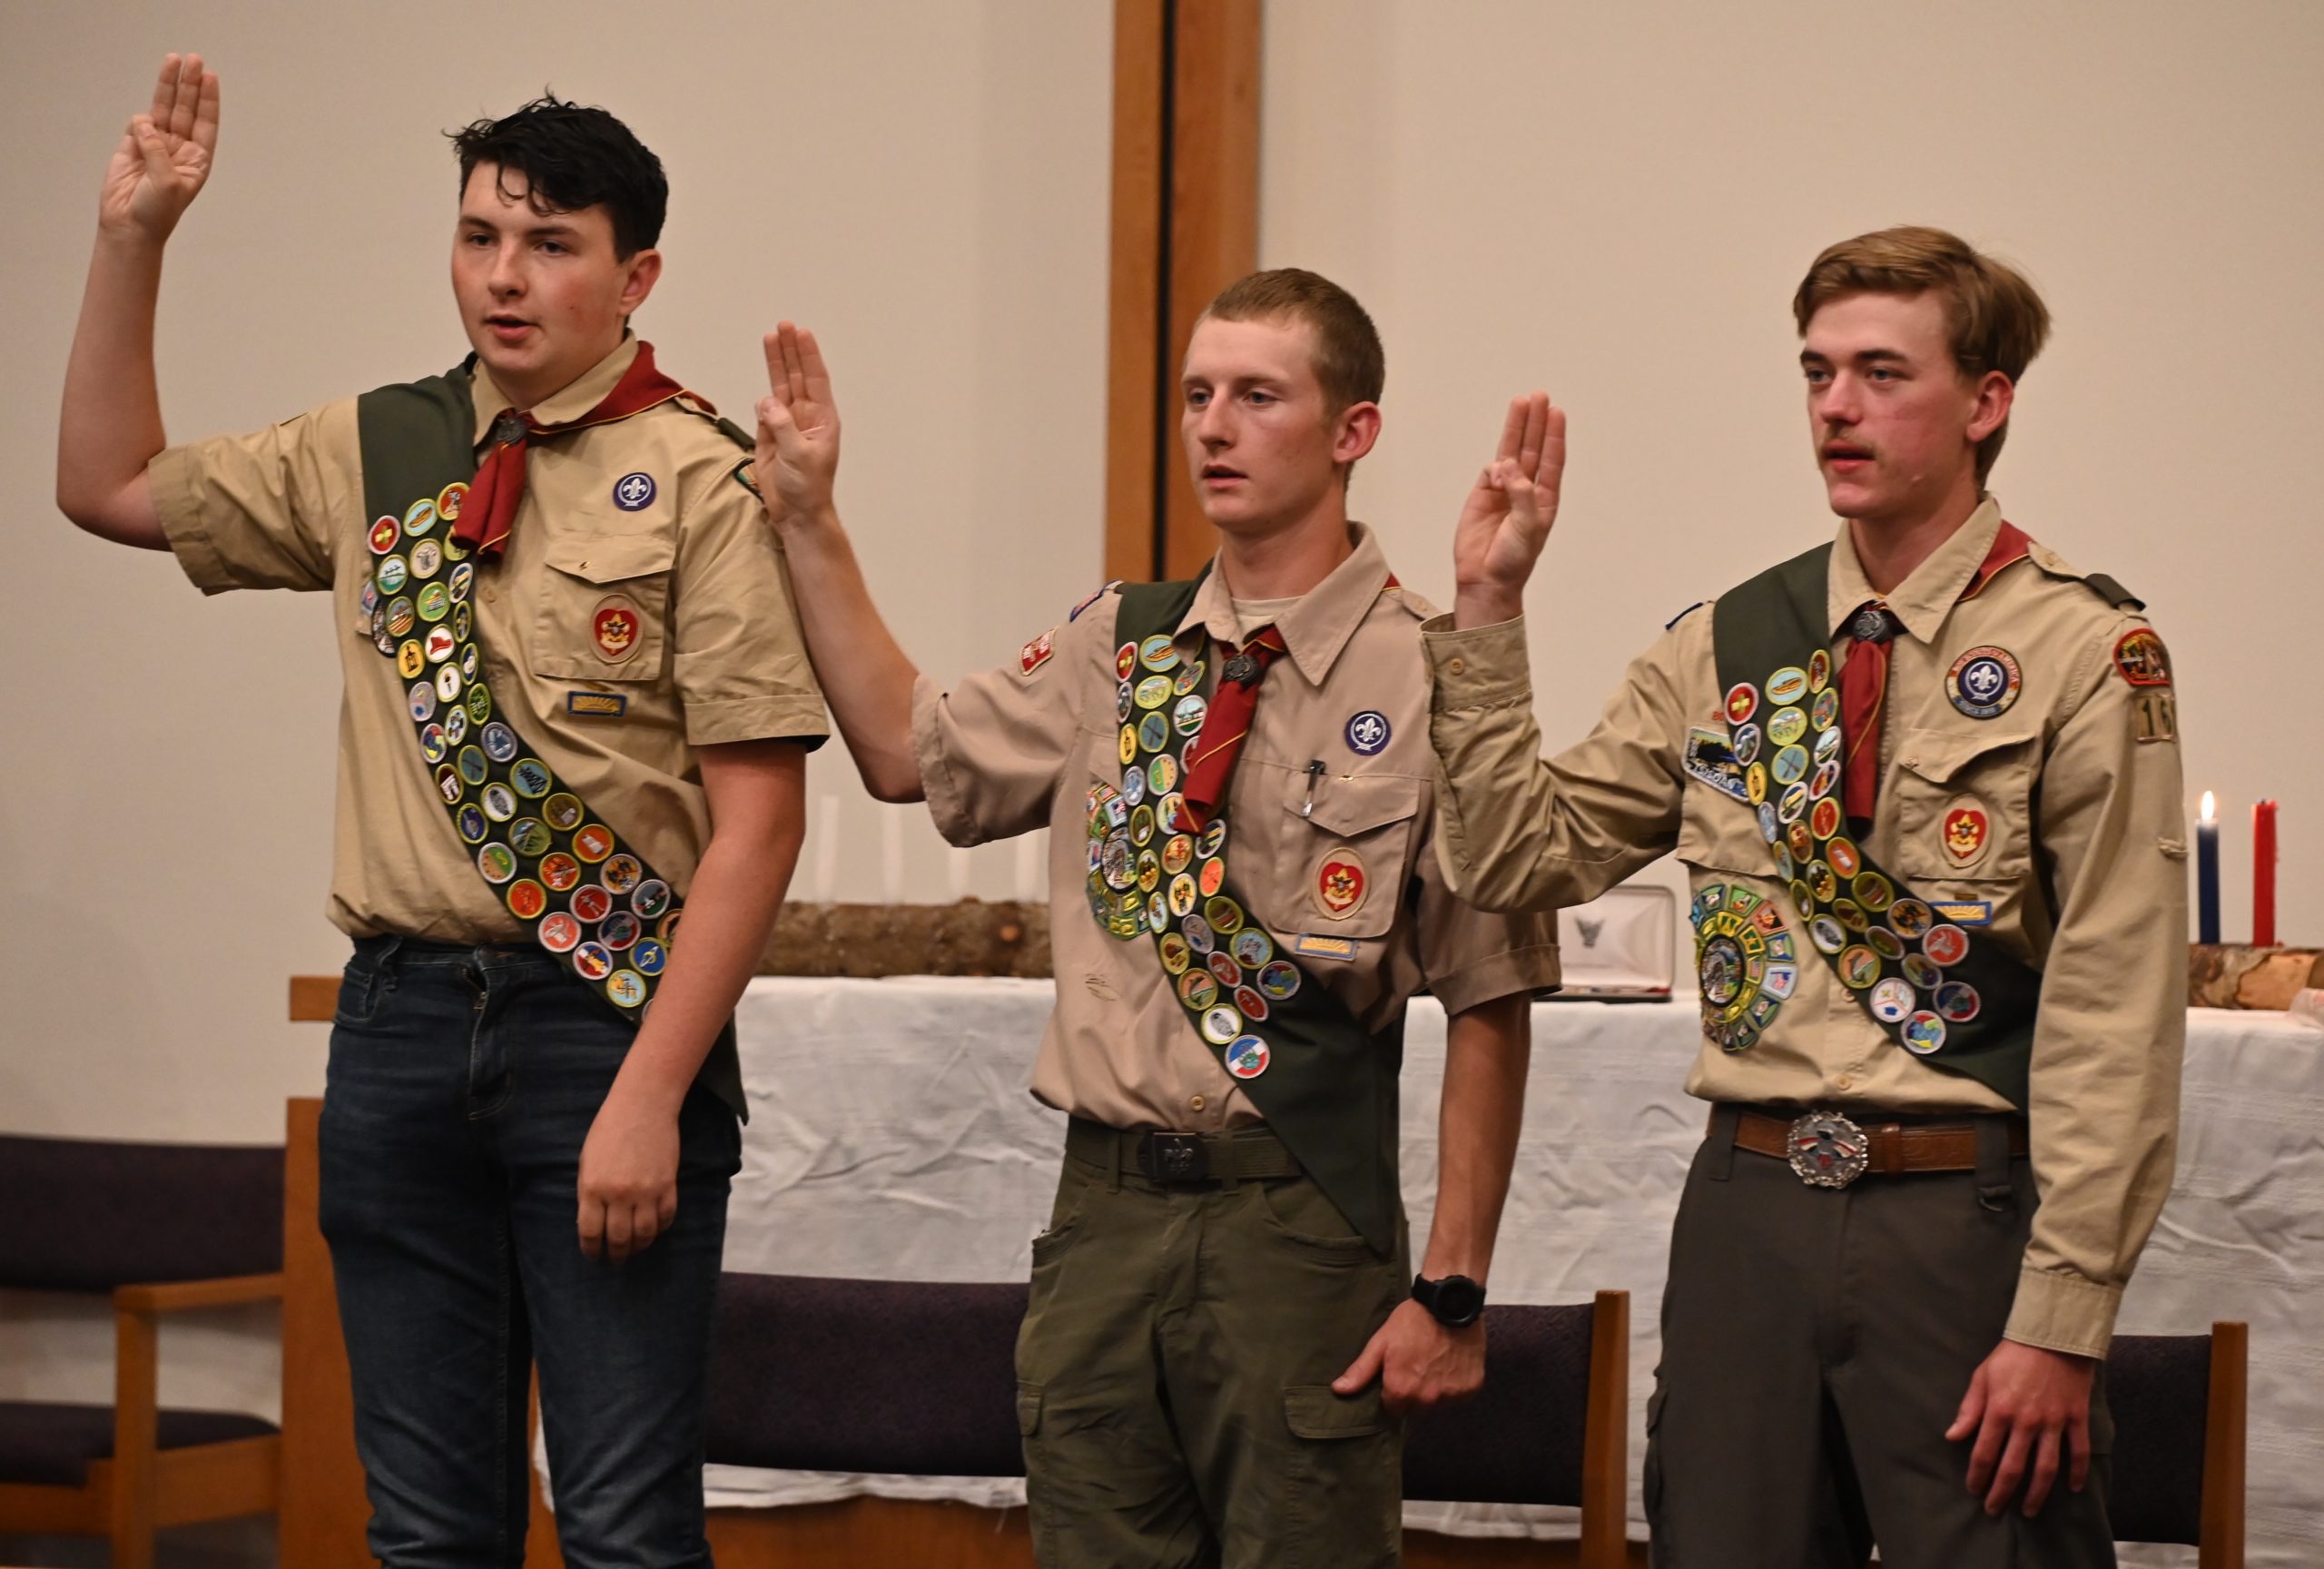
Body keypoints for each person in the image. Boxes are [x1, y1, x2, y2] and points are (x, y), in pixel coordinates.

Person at [54, 55, 827, 1565]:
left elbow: (761, 827)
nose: (504, 275)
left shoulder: (703, 478)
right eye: (479, 235)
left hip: (602, 1022)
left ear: (634, 271)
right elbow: (105, 484)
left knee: (619, 1526)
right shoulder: (379, 448)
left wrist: (649, 1096)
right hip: (399, 1024)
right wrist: (135, 237)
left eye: (549, 242)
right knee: (422, 1533)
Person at [749, 269, 1559, 1567]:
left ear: (1353, 431)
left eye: (1256, 396)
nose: (1214, 428)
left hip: (1295, 1223)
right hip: (1106, 1215)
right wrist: (809, 519)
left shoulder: (1430, 669)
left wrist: (1453, 1291)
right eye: (1196, 397)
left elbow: (1490, 996)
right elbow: (914, 759)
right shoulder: (1119, 647)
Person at [1422, 227, 2185, 1566]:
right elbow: (1513, 862)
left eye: (1881, 372)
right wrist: (1488, 607)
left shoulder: (2083, 650)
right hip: (1751, 1214)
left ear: (1986, 400)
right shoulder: (1730, 642)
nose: (1836, 406)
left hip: (1959, 1219)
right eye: (1817, 372)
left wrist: (2061, 1317)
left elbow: (2114, 1007)